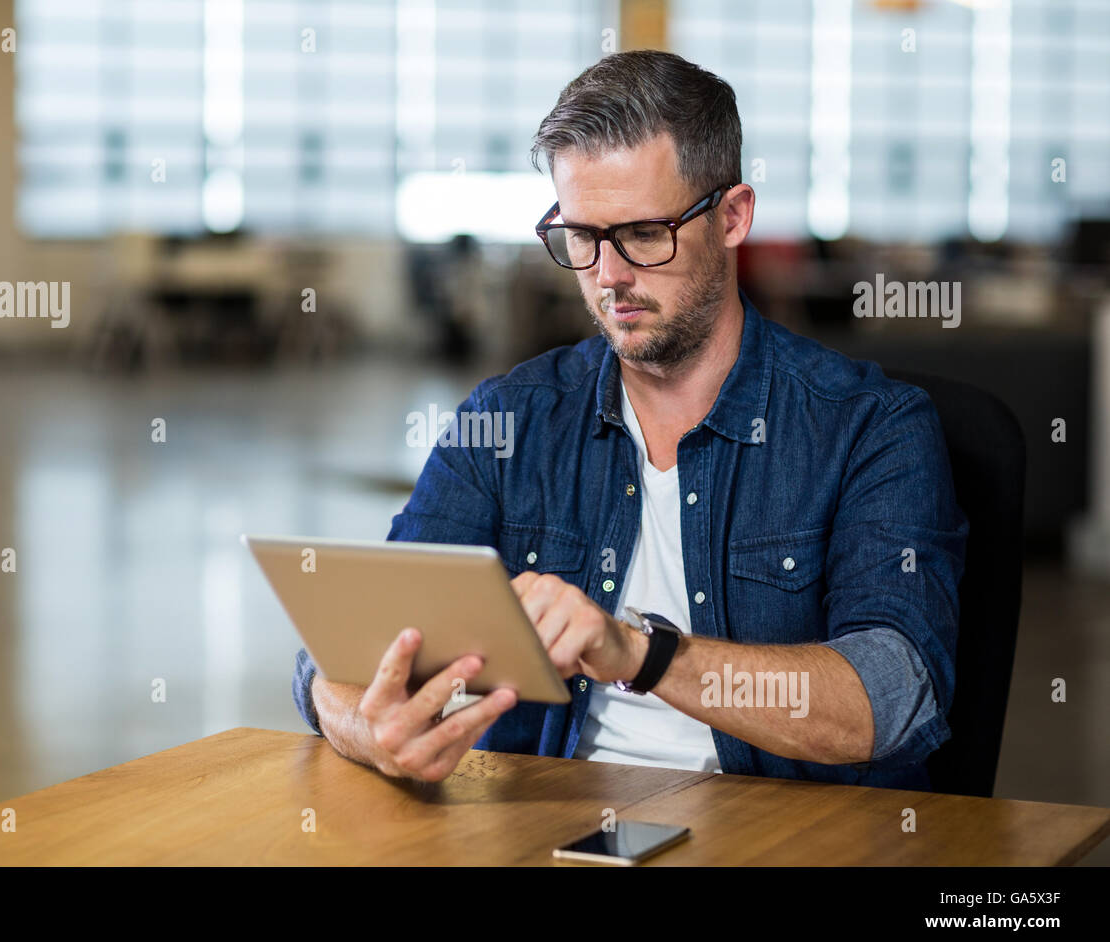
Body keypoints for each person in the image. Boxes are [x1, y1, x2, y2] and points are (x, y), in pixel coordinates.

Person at [292, 50, 968, 791]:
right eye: (581, 236)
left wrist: (639, 653)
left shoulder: (871, 427)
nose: (608, 276)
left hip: (778, 836)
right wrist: (370, 727)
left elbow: (895, 696)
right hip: (552, 828)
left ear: (734, 216)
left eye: (645, 233)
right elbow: (346, 658)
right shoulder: (508, 418)